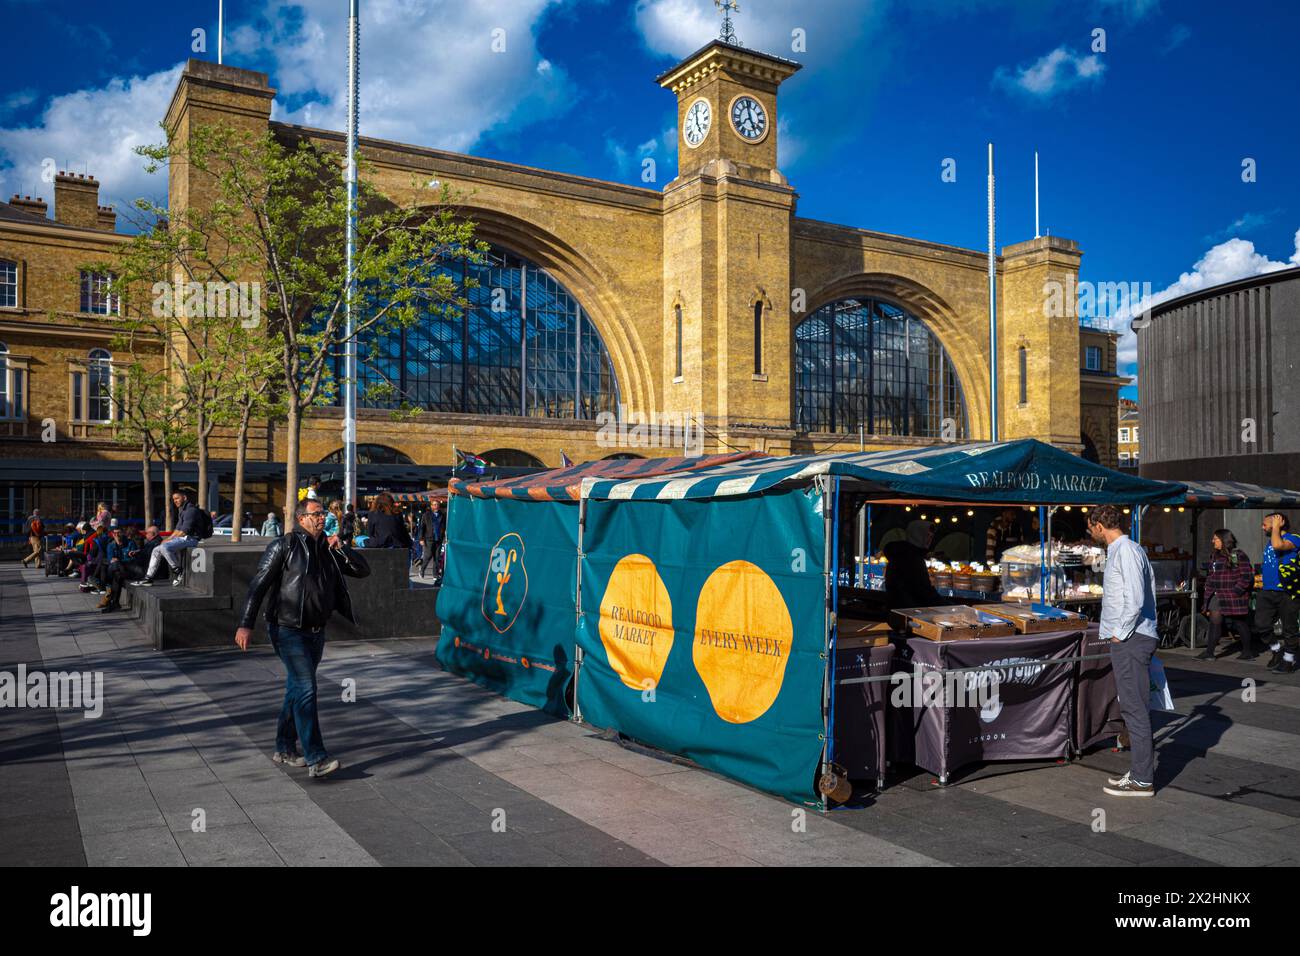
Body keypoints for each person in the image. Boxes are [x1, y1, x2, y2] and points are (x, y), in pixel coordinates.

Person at [234, 498, 371, 779]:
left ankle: (284, 747)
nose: (322, 518)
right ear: (301, 519)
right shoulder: (284, 545)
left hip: (315, 632)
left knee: (296, 690)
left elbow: (362, 571)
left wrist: (342, 547)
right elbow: (258, 585)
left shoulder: (328, 548)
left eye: (323, 513)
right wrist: (245, 624)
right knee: (307, 688)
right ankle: (316, 758)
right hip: (287, 630)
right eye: (316, 514)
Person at [1088, 504, 1159, 798]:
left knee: (1134, 707)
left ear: (1099, 525)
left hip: (1132, 638)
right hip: (1131, 637)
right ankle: (1140, 771)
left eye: (1090, 527)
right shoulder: (1122, 550)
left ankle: (1143, 779)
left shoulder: (1126, 550)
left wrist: (1119, 634)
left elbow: (1135, 598)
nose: (1090, 532)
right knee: (1133, 704)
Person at [1197, 529, 1255, 661]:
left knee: (1238, 622)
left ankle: (1247, 652)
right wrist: (1208, 588)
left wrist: (1236, 592)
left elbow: (1246, 577)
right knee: (1214, 622)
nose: (1213, 541)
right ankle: (1209, 653)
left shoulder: (1237, 555)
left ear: (1224, 540)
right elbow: (1212, 575)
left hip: (1233, 595)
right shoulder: (1214, 556)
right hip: (1217, 595)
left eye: (1215, 539)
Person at [132, 491, 207, 587]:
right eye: (174, 499)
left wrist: (168, 541)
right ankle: (148, 578)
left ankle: (178, 571)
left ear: (184, 497)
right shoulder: (183, 510)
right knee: (156, 549)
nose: (175, 501)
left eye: (177, 498)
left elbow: (183, 531)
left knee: (164, 547)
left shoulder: (191, 510)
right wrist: (167, 539)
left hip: (192, 539)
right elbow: (177, 530)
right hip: (184, 538)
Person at [1257, 513, 1300, 674]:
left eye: (1265, 524)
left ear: (1278, 523)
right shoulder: (1270, 541)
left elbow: (1278, 546)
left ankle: (1288, 661)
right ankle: (1276, 649)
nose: (1263, 527)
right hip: (1267, 590)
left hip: (1287, 591)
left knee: (1289, 628)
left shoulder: (1294, 538)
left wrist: (1276, 527)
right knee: (1261, 624)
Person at [883, 519, 946, 611]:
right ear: (917, 535)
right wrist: (951, 607)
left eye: (931, 536)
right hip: (908, 613)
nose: (929, 540)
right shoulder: (911, 558)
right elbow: (924, 592)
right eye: (927, 535)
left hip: (899, 611)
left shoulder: (902, 553)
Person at [99, 525, 142, 612]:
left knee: (117, 573)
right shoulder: (111, 545)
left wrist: (120, 561)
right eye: (115, 533)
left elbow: (132, 560)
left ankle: (114, 602)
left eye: (119, 532)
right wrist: (119, 561)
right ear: (112, 534)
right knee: (116, 568)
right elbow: (111, 560)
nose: (117, 535)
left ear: (123, 533)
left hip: (128, 570)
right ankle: (114, 602)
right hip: (117, 569)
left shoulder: (130, 543)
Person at [418, 501, 445, 578]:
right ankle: (422, 570)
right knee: (428, 556)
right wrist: (421, 539)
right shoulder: (426, 515)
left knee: (437, 558)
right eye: (434, 505)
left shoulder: (442, 515)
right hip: (429, 539)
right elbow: (421, 528)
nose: (436, 506)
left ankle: (435, 574)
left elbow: (444, 526)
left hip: (438, 539)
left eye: (437, 505)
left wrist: (444, 536)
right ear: (431, 506)